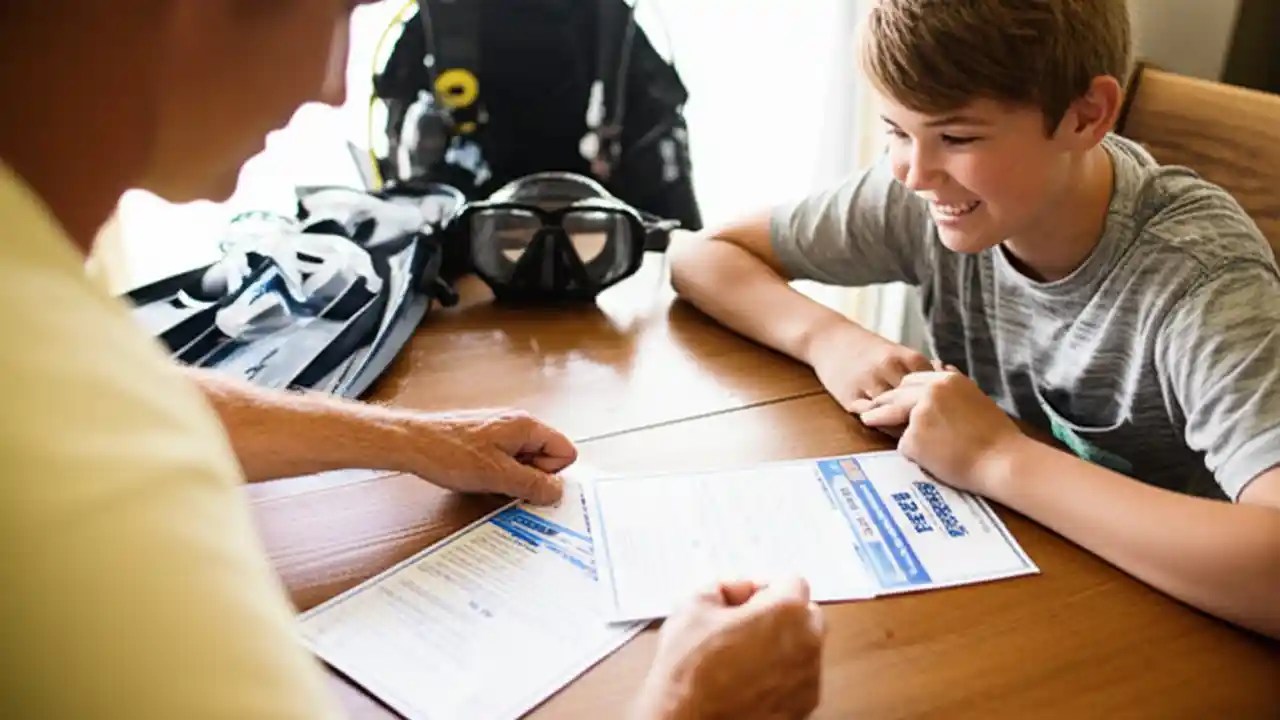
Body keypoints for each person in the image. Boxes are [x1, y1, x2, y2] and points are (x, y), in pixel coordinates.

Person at [0, 2, 824, 717]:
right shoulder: (88, 480)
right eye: (339, 11)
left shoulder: (53, 331)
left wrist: (413, 439)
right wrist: (690, 705)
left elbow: (140, 394)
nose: (332, 87)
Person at [671, 0, 1280, 639]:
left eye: (957, 138)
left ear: (1086, 115)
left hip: (1184, 631)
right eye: (895, 130)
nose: (913, 173)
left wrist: (997, 457)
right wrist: (830, 340)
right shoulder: (934, 195)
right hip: (1027, 581)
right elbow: (701, 256)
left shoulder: (1200, 278)